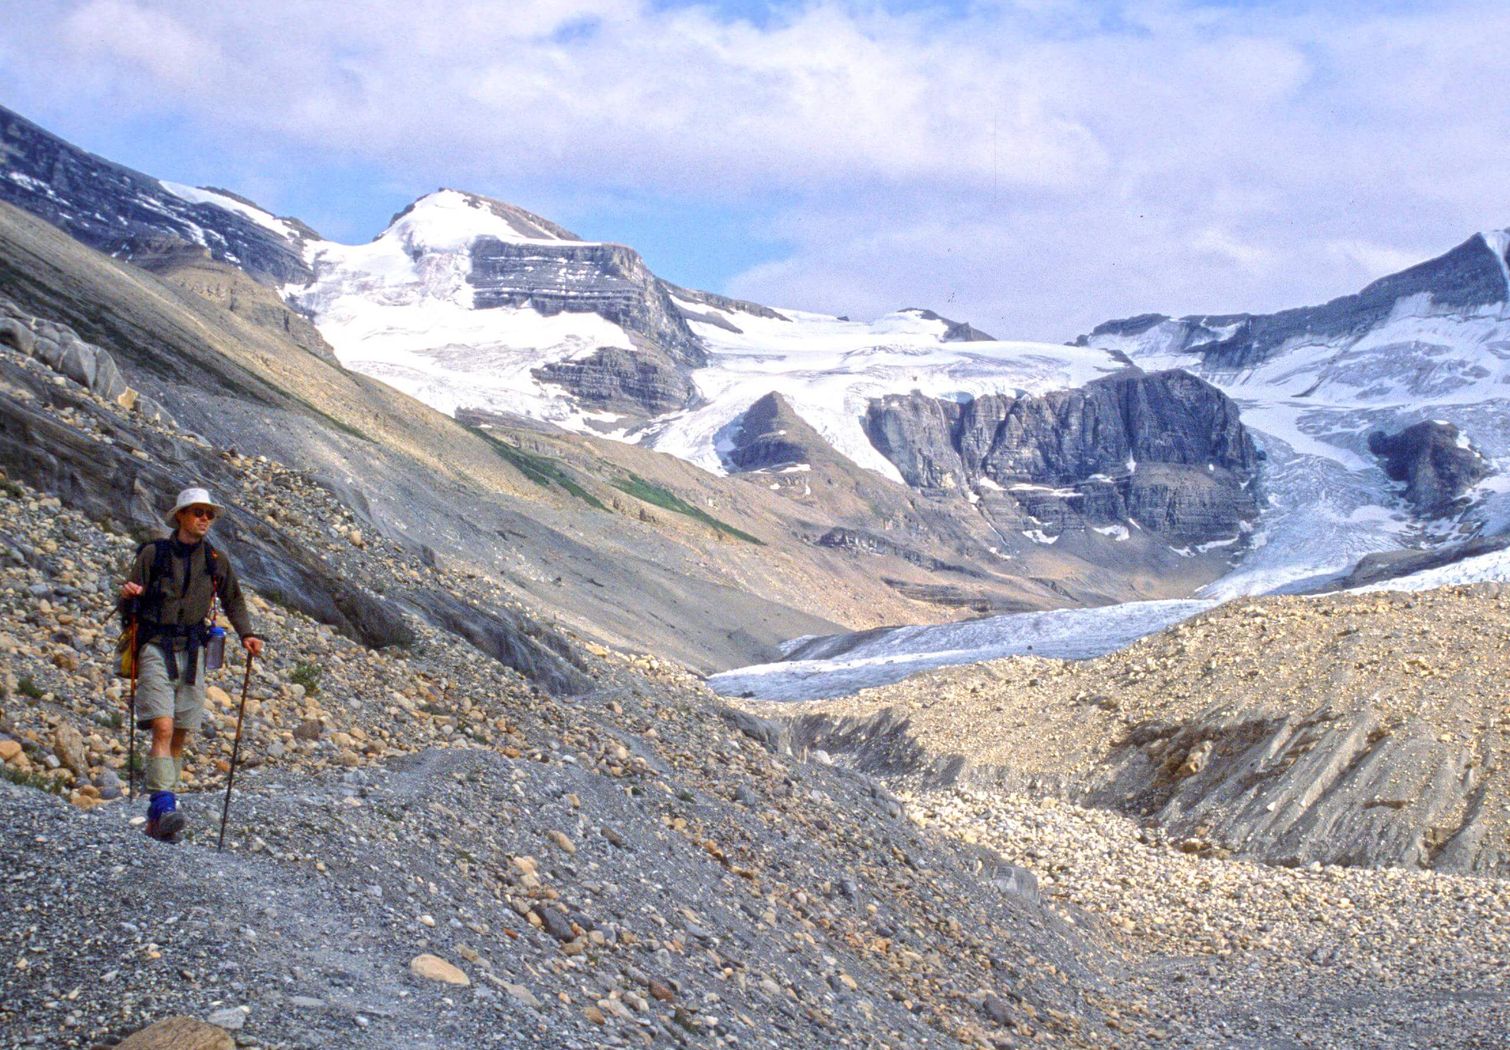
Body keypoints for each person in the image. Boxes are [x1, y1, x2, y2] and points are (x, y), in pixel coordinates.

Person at [120, 486, 263, 841]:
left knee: (181, 731)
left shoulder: (216, 560)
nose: (204, 519)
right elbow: (127, 604)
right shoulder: (153, 554)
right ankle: (163, 805)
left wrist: (247, 633)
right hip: (156, 645)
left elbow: (234, 599)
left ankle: (163, 813)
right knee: (164, 728)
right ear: (181, 515)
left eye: (208, 514)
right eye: (197, 512)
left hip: (194, 651)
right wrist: (127, 597)